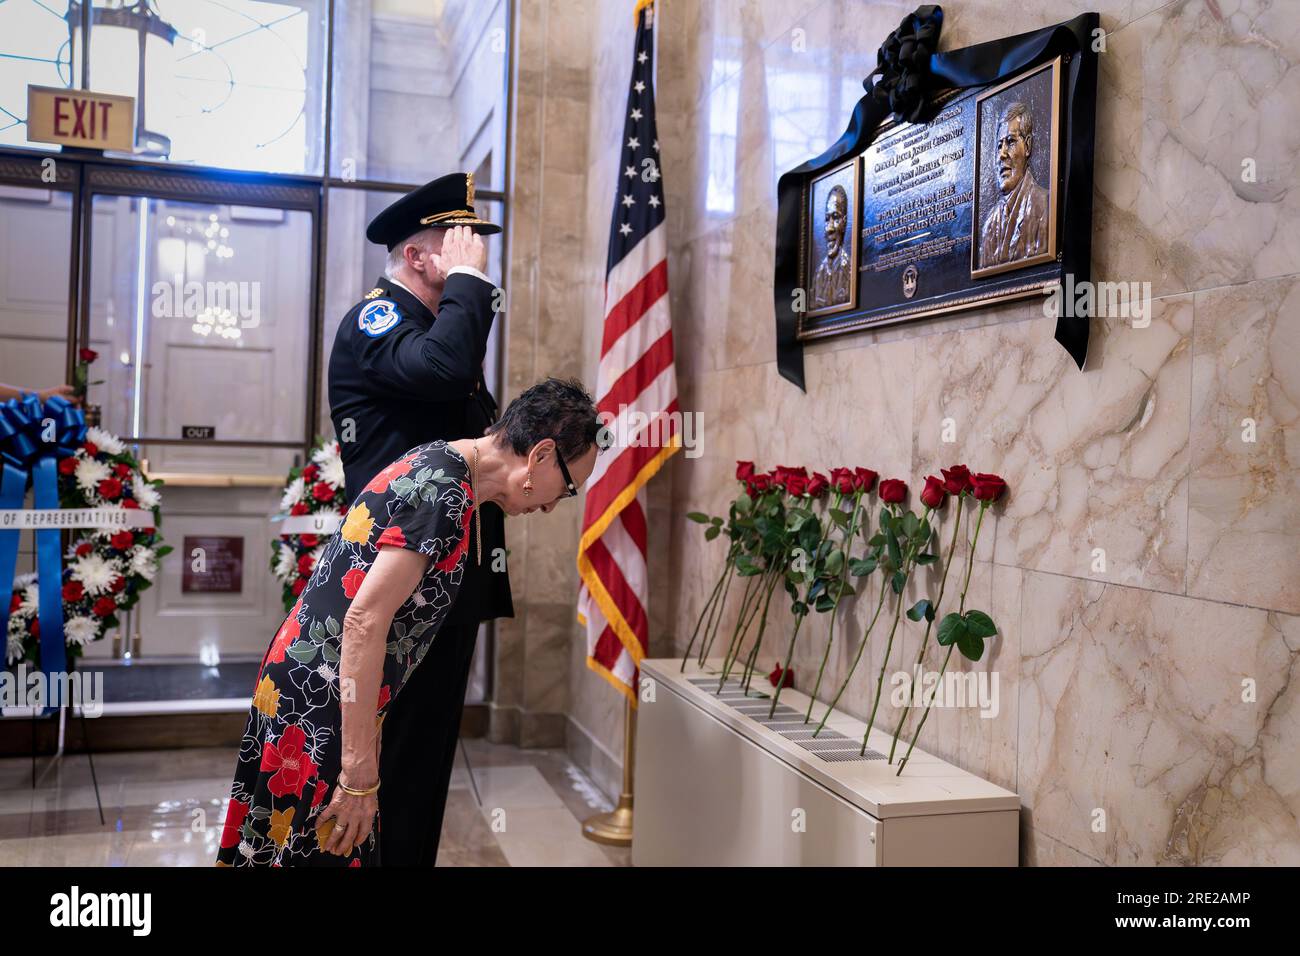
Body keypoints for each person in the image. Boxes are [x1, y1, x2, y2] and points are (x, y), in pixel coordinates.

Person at [216, 378, 600, 866]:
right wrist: (357, 772)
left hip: (319, 684)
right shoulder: (445, 490)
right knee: (325, 847)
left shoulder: (446, 464)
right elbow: (363, 621)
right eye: (566, 489)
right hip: (321, 699)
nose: (551, 505)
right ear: (541, 456)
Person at [326, 172, 515, 866]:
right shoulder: (377, 321)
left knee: (425, 761)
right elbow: (441, 374)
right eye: (459, 247)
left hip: (444, 576)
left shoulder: (430, 329)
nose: (476, 262)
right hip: (400, 578)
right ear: (417, 257)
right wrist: (469, 285)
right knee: (396, 761)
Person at [979, 101, 1051, 269]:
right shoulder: (990, 225)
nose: (1002, 154)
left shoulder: (1046, 206)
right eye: (999, 145)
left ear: (1027, 146)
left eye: (1010, 142)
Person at [812, 184, 851, 309]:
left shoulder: (849, 271)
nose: (829, 228)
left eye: (835, 218)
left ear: (844, 223)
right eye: (827, 219)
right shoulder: (819, 274)